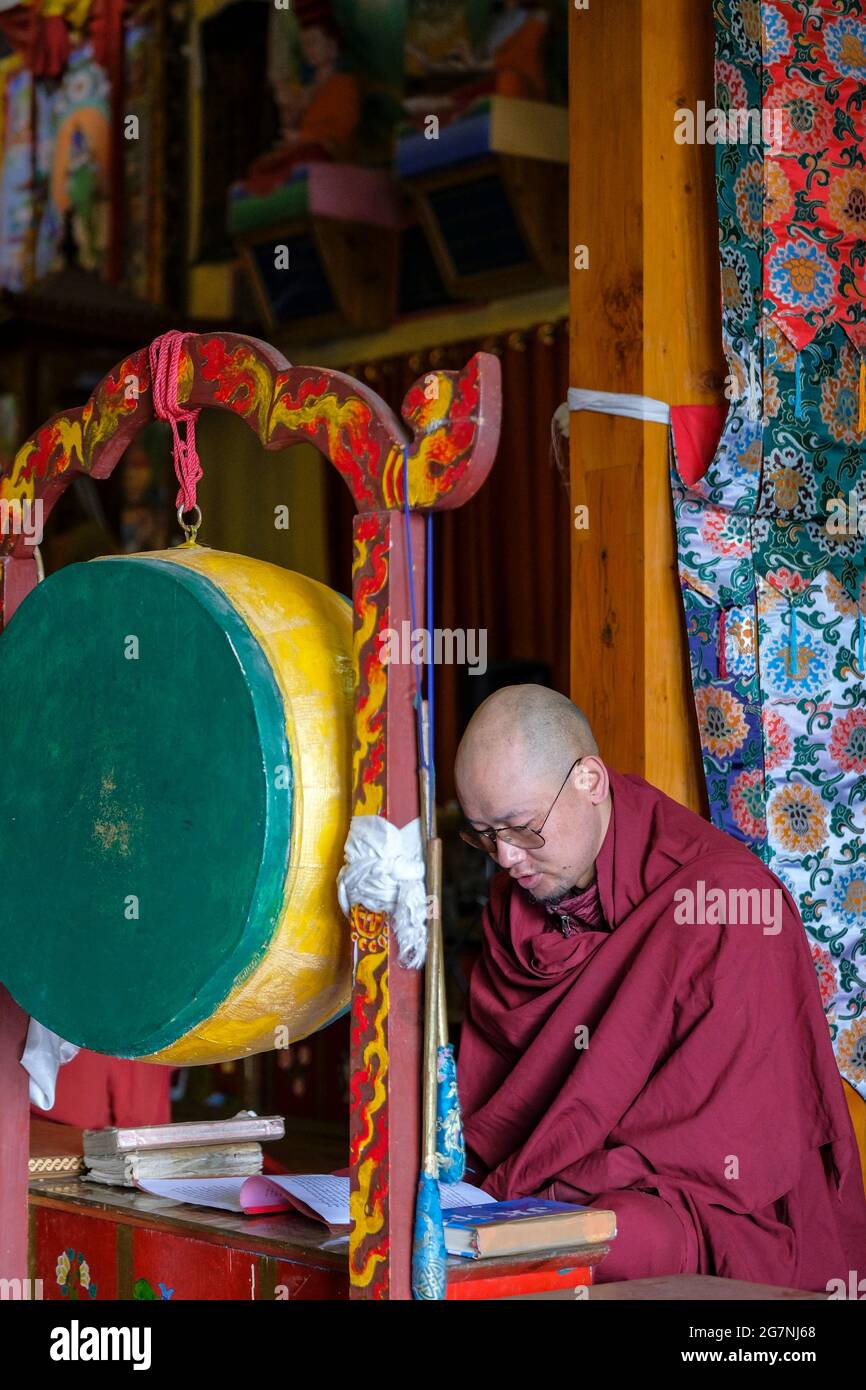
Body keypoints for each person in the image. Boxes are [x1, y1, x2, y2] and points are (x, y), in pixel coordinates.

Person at [454, 684, 866, 1290]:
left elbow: (728, 1150)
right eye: (484, 836)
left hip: (700, 1204)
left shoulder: (726, 903)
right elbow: (492, 1108)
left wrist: (548, 1185)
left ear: (590, 781)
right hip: (535, 1184)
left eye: (521, 829)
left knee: (606, 1237)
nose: (507, 859)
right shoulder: (514, 907)